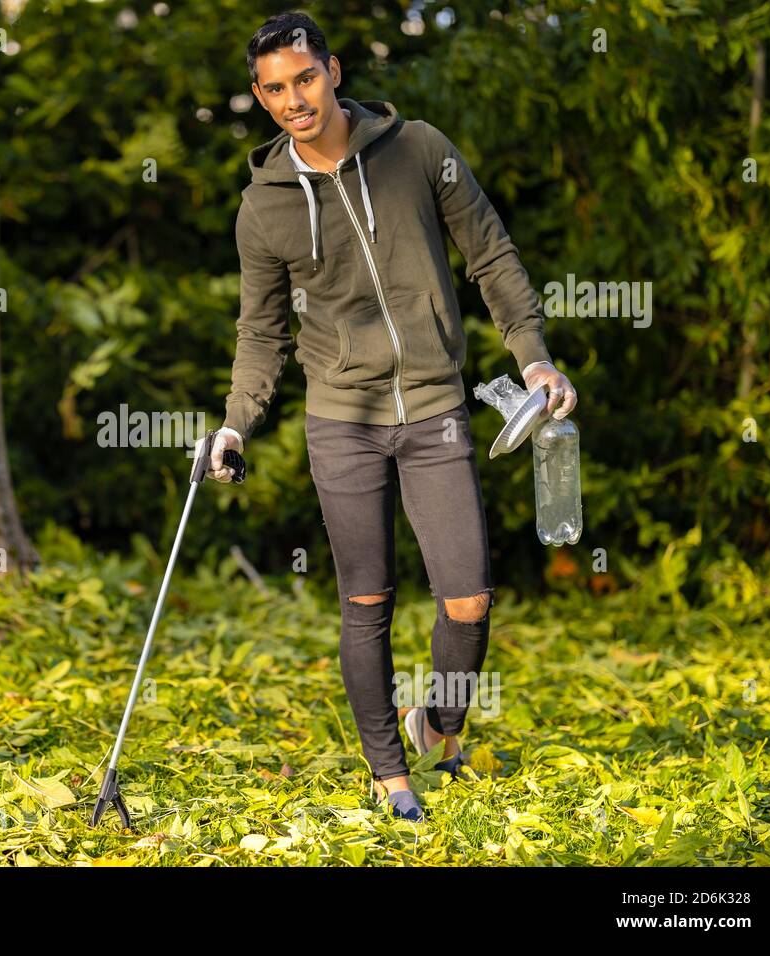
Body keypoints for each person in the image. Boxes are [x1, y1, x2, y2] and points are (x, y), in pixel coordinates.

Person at [208, 11, 577, 822]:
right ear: (261, 99)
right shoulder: (263, 209)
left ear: (333, 71)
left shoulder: (419, 152)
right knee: (366, 602)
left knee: (468, 597)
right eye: (274, 89)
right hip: (342, 420)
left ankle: (438, 722)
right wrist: (235, 422)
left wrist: (533, 356)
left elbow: (491, 253)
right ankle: (389, 772)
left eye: (304, 78)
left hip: (436, 405)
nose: (293, 100)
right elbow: (261, 332)